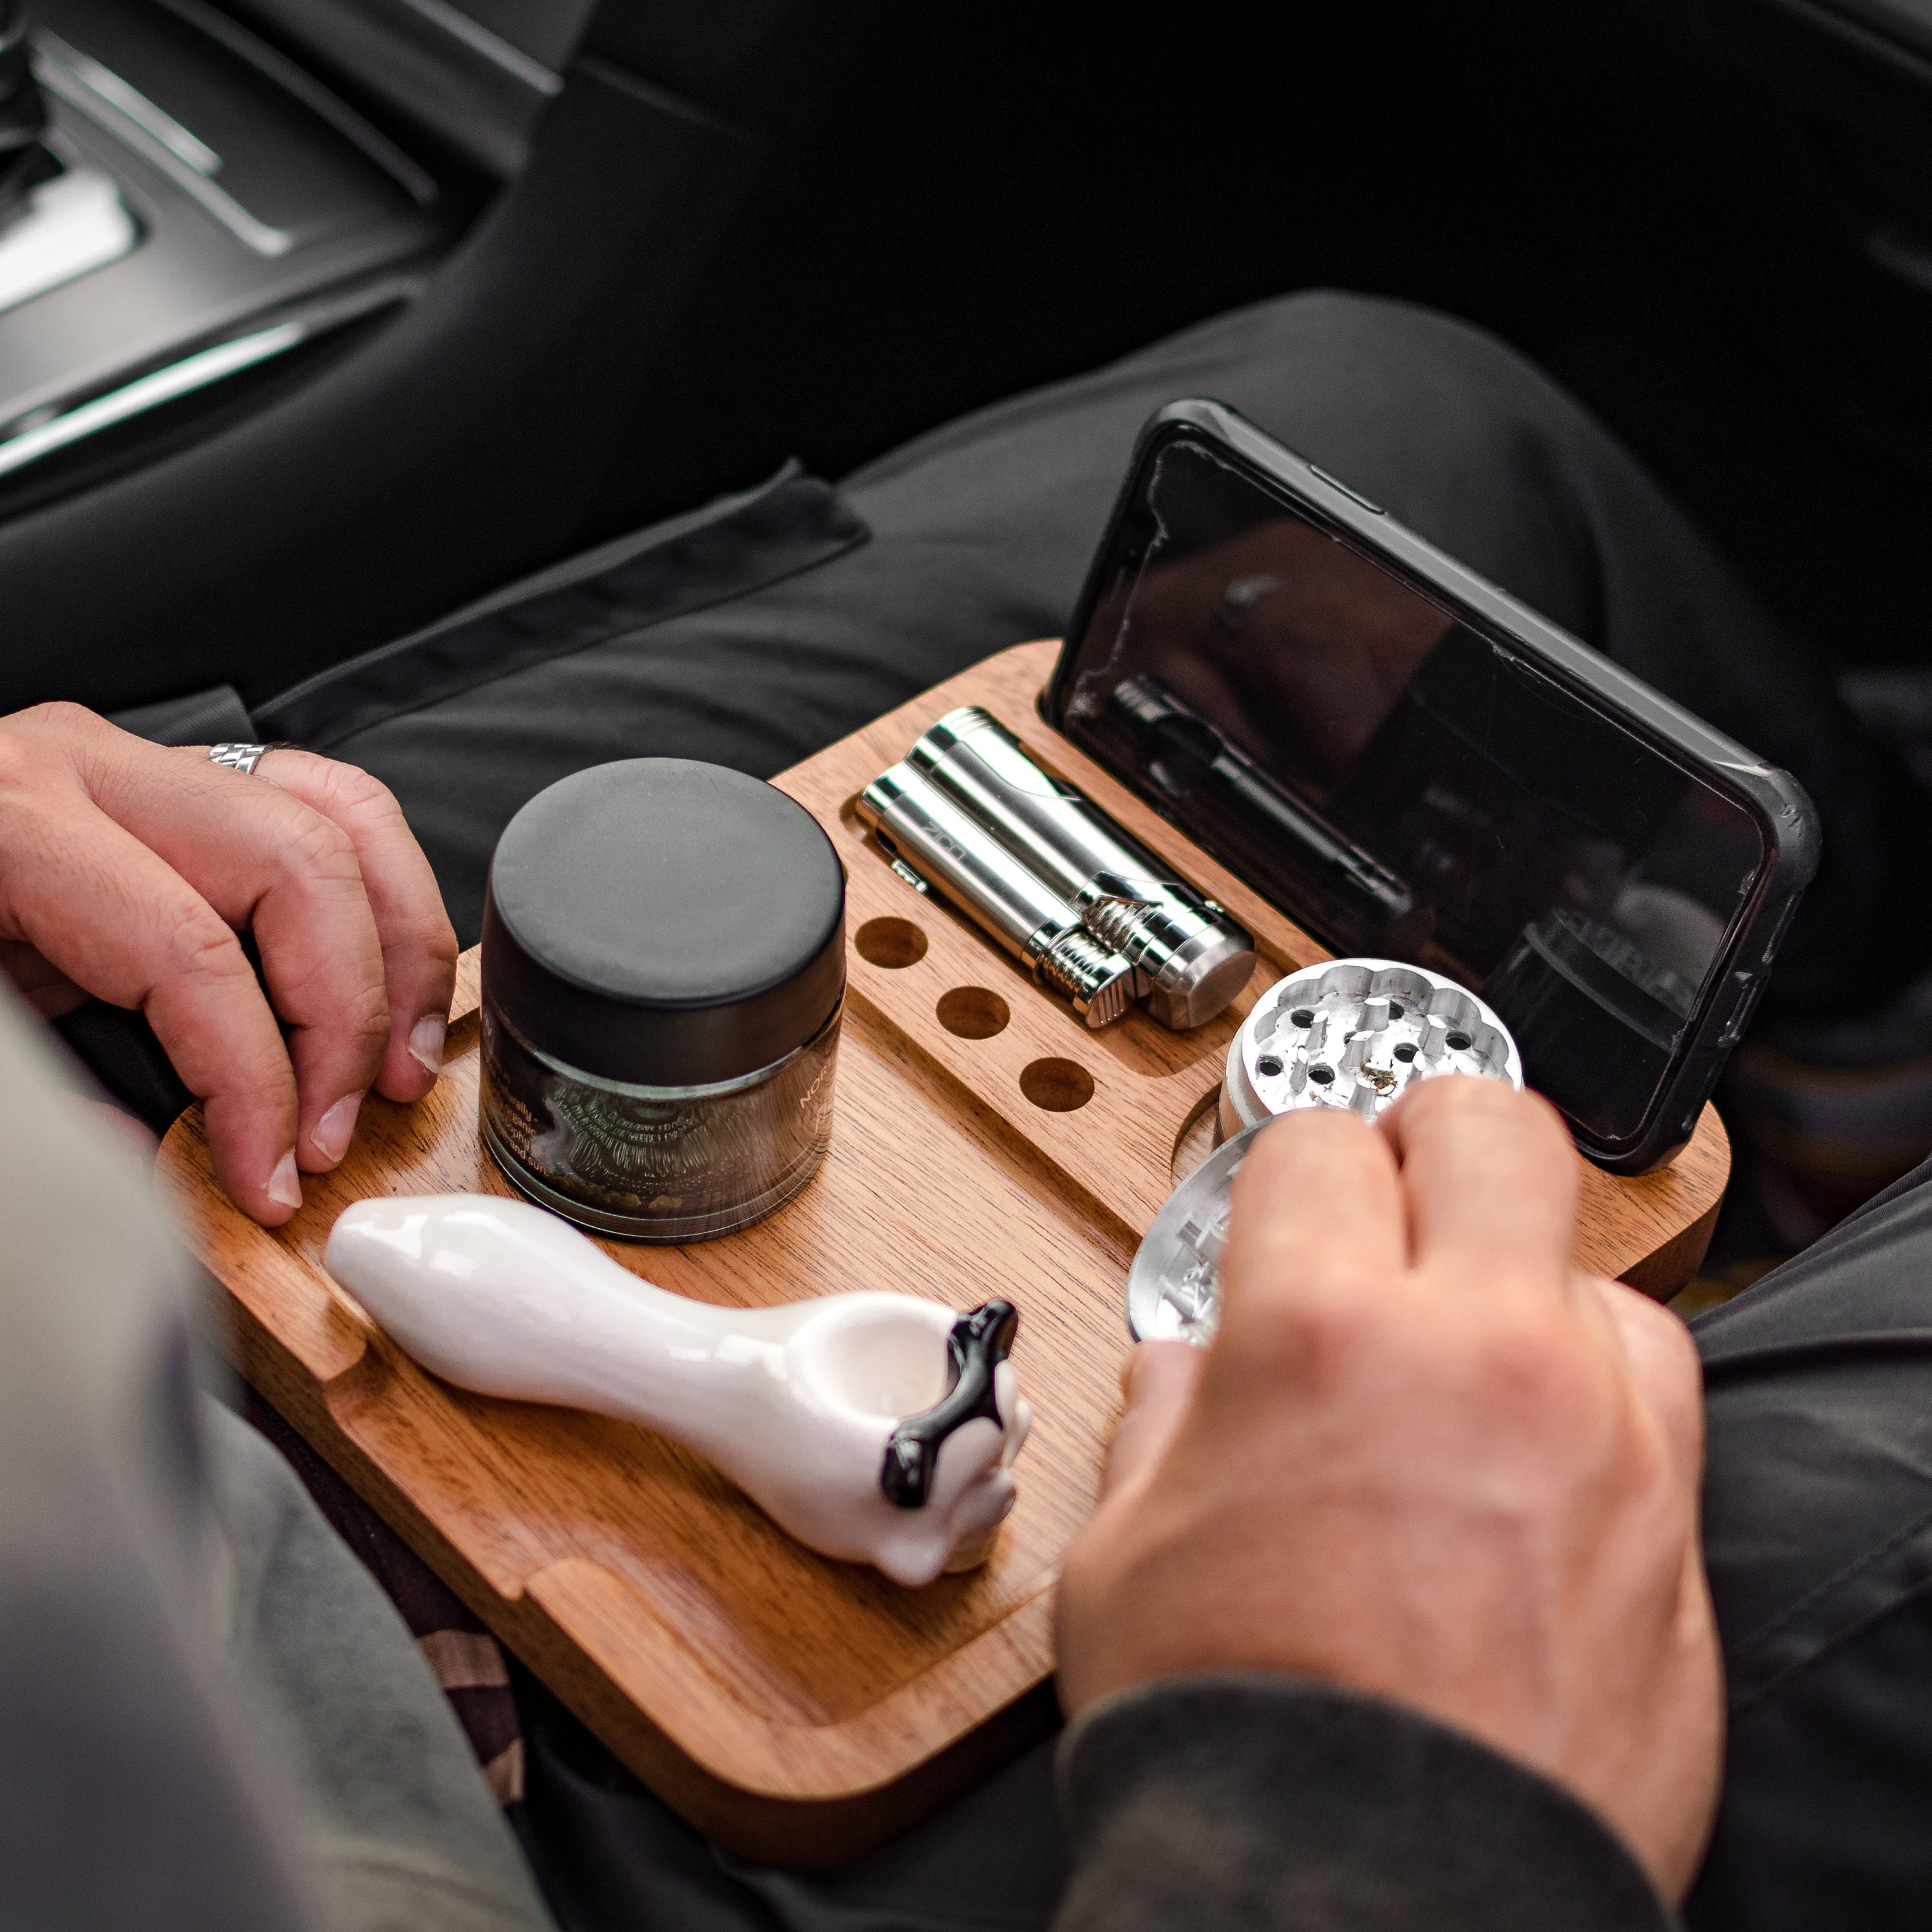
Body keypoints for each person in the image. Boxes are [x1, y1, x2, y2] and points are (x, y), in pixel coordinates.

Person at [4, 289, 1931, 1929]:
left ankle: (1843, 1038)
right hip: (398, 1804)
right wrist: (1357, 1822)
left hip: (113, 1175)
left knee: (1399, 432)